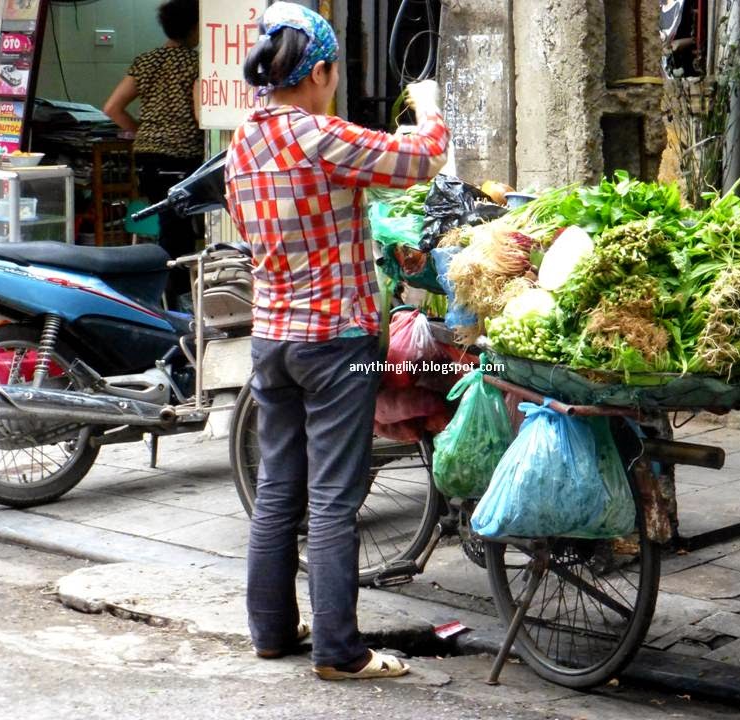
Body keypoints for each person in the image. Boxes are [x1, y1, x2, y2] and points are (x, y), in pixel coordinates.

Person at [224, 3, 449, 681]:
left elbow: (247, 224)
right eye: (333, 74)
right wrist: (429, 105)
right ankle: (340, 652)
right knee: (332, 500)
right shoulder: (318, 135)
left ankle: (270, 632)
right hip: (335, 342)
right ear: (319, 71)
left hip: (272, 337)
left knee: (279, 493)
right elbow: (422, 159)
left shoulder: (242, 142)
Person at [104, 0, 203, 308]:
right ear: (194, 28)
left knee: (168, 227)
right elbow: (202, 117)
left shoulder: (147, 61)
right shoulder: (196, 64)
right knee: (180, 233)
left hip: (146, 158)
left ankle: (166, 295)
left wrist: (143, 131)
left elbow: (112, 108)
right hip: (181, 157)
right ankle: (176, 301)